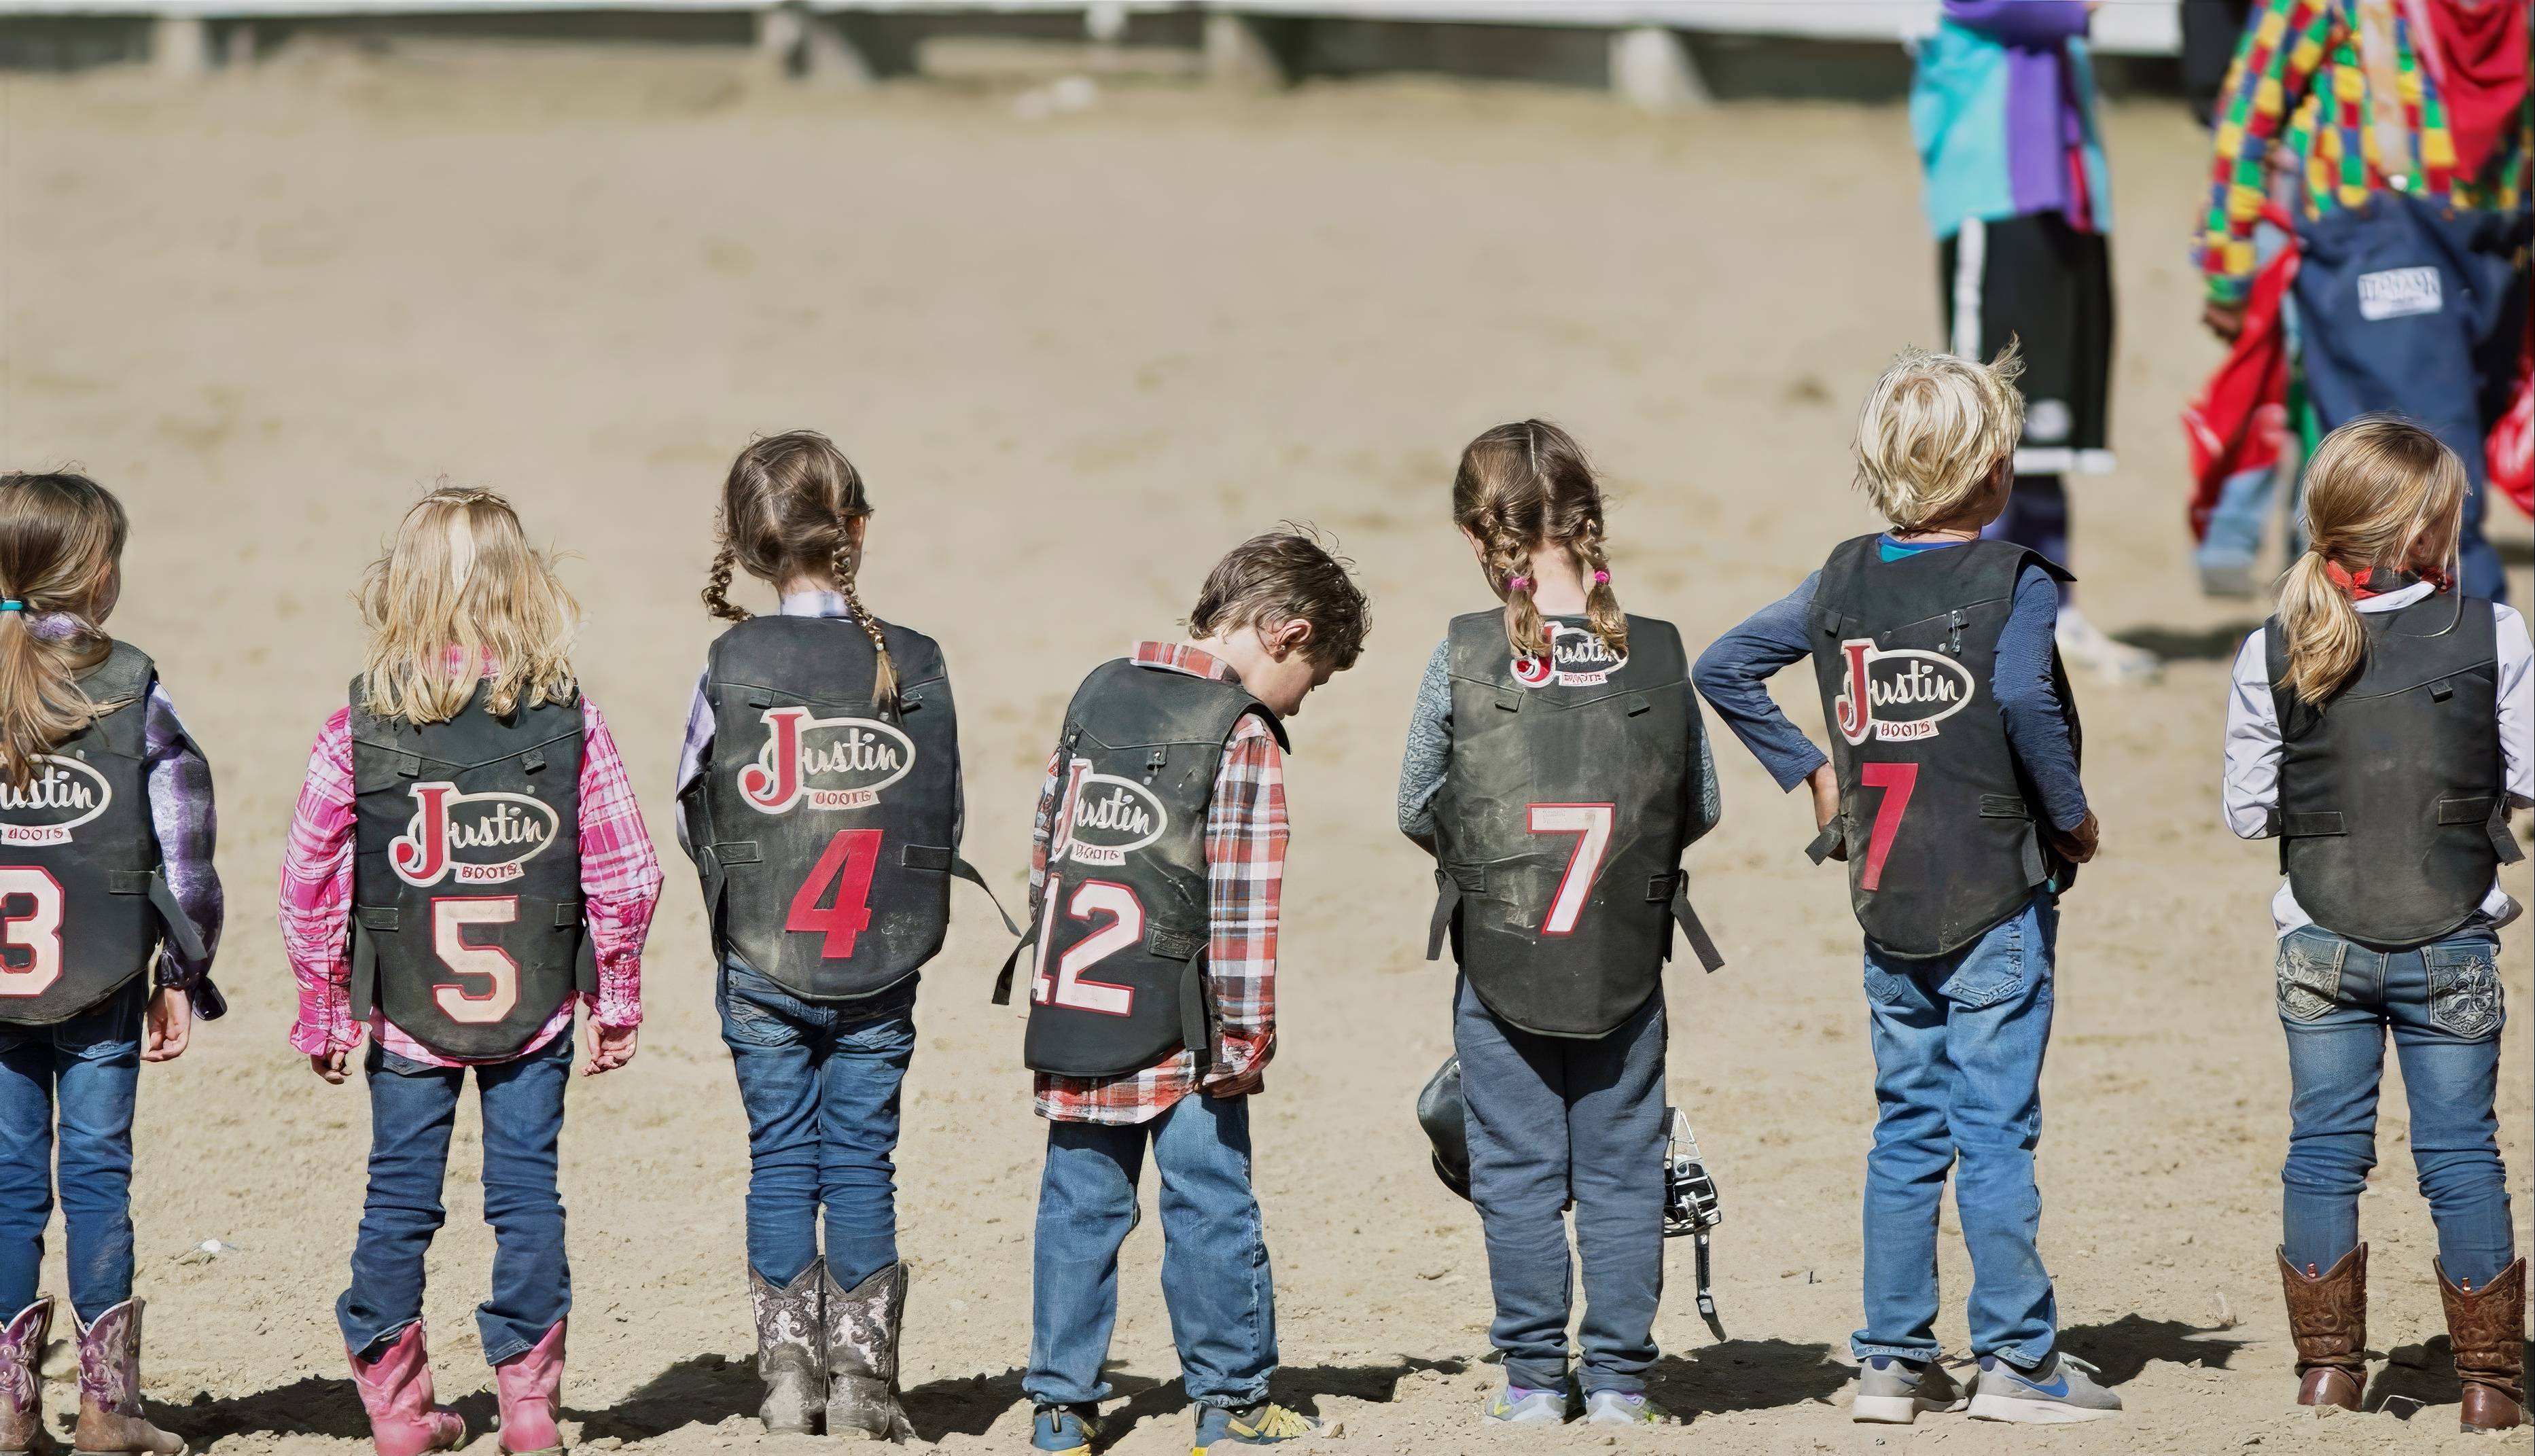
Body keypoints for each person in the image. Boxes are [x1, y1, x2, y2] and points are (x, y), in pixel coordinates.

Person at [1695, 347, 2119, 1425]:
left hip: (1883, 894)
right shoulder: (2011, 580)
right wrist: (2068, 816)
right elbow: (2024, 700)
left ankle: (1888, 1357)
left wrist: (1811, 773)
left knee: (1905, 1126)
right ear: (1991, 472)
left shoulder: (1841, 577)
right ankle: (2018, 1362)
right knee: (1994, 1129)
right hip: (1993, 894)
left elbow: (1725, 664)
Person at [283, 487, 661, 1456]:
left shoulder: (355, 727)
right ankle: (530, 1405)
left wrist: (324, 1005)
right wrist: (614, 989)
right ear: (521, 591)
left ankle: (398, 1407)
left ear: (398, 592)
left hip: (406, 1010)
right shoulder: (570, 720)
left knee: (398, 1194)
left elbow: (308, 880)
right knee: (527, 1188)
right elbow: (627, 867)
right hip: (533, 1006)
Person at [1004, 531, 1368, 1455]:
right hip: (1184, 1026)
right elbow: (1242, 906)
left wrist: (1054, 986)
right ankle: (1233, 1402)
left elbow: (1049, 849)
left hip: (1079, 1003)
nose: (1305, 699)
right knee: (1210, 1199)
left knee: (1077, 1200)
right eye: (1315, 677)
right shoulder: (1241, 731)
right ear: (1285, 635)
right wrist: (1242, 1038)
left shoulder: (1098, 691)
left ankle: (1060, 1407)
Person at [1395, 421, 1722, 1428]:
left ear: (1474, 535)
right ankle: (1619, 1379)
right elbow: (1697, 803)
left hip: (1500, 955)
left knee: (1516, 1171)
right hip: (1625, 956)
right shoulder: (1659, 650)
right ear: (1592, 523)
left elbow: (1415, 802)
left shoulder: (1461, 654)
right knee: (1625, 1168)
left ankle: (1535, 1381)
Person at [676, 431, 1002, 1439]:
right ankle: (864, 1384)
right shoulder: (915, 658)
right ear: (855, 532)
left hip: (763, 954)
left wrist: (737, 904)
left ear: (745, 542)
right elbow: (941, 811)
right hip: (881, 953)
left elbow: (693, 798)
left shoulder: (729, 659)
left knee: (780, 1156)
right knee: (862, 1157)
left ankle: (783, 1382)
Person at [2223, 417, 2527, 1432]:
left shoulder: (2272, 641)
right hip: (2451, 934)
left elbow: (2243, 810)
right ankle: (2487, 1385)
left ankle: (2326, 1374)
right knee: (2460, 1156)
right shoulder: (2497, 630)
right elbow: (2525, 777)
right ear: (2419, 532)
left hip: (2318, 931)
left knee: (2319, 1152)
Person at [0, 472, 220, 1456]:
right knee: (96, 1175)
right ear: (96, 578)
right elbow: (184, 833)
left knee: (6, 1182)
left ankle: (6, 1406)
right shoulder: (130, 680)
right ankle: (107, 1407)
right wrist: (185, 961)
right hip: (99, 974)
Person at [2199, 0, 2531, 602]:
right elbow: (2247, 118)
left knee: (2431, 485)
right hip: (2384, 254)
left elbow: (2246, 115)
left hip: (2490, 251)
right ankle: (2457, 663)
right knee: (2422, 496)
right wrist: (2228, 266)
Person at [1911, 0, 2159, 682]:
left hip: (2068, 201)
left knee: (2048, 431)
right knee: (1979, 423)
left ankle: (2052, 613)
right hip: (1994, 199)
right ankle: (1961, 613)